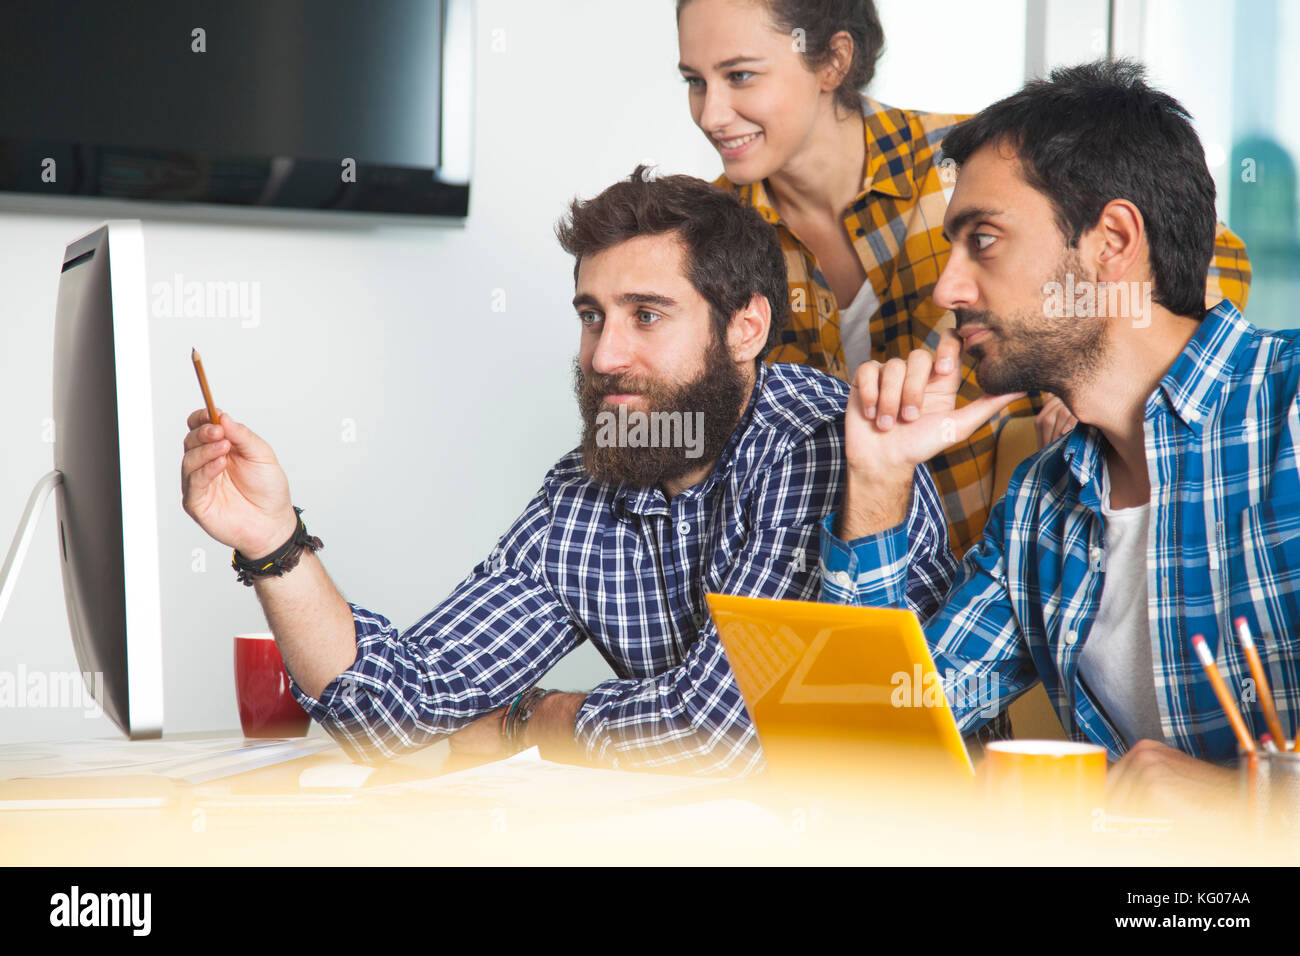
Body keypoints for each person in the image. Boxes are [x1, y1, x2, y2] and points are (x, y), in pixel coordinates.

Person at [180, 169, 961, 777]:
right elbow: (393, 713)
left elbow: (725, 732)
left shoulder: (821, 446)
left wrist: (530, 721)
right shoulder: (587, 493)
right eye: (592, 316)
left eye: (645, 315)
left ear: (746, 327)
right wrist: (274, 542)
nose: (604, 355)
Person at [819, 59, 1299, 815]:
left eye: (984, 239)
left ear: (1112, 240)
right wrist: (879, 481)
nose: (946, 289)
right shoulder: (1041, 505)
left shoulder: (1291, 412)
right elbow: (872, 748)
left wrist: (1248, 810)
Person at [675, 0, 1253, 558]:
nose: (710, 114)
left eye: (741, 76)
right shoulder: (708, 242)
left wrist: (1110, 382)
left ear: (833, 61)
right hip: (860, 560)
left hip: (1036, 557)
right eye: (695, 82)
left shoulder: (977, 171)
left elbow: (1196, 254)